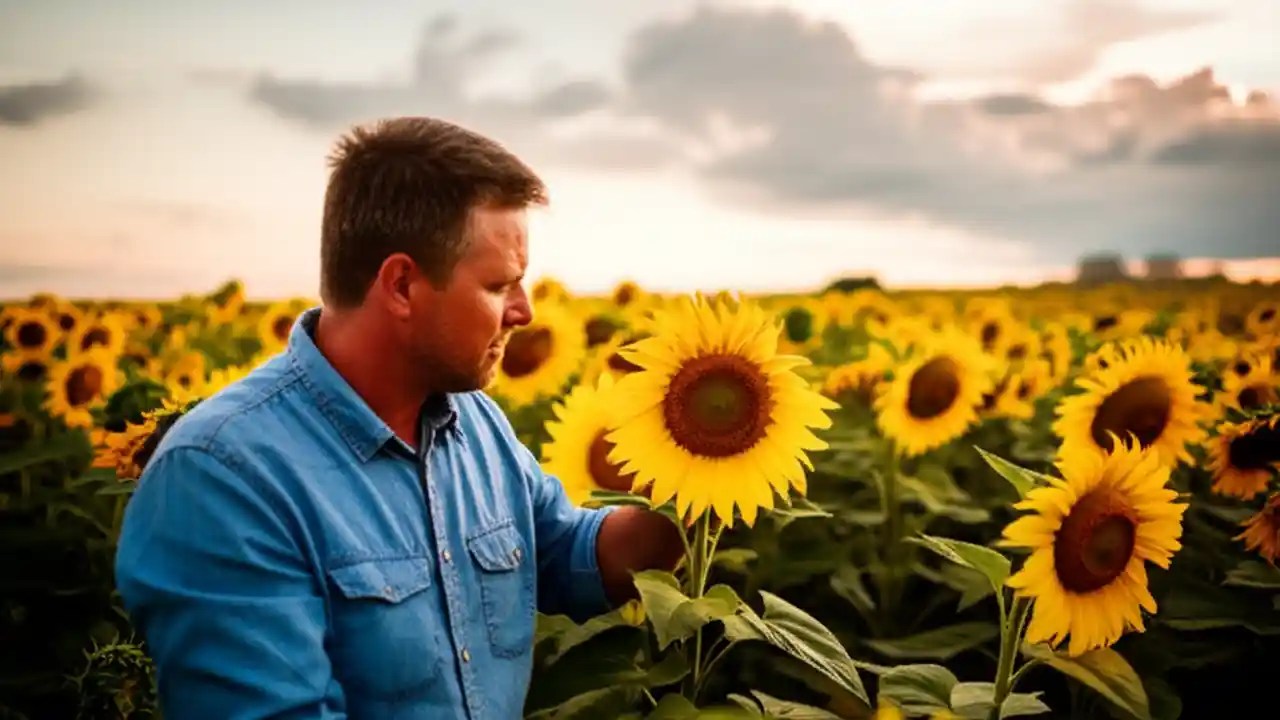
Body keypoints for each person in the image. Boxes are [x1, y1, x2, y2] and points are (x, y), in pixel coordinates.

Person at [114, 116, 684, 719]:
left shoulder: (474, 424)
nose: (525, 311)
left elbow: (570, 554)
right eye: (500, 286)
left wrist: (703, 469)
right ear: (403, 285)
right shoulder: (223, 478)